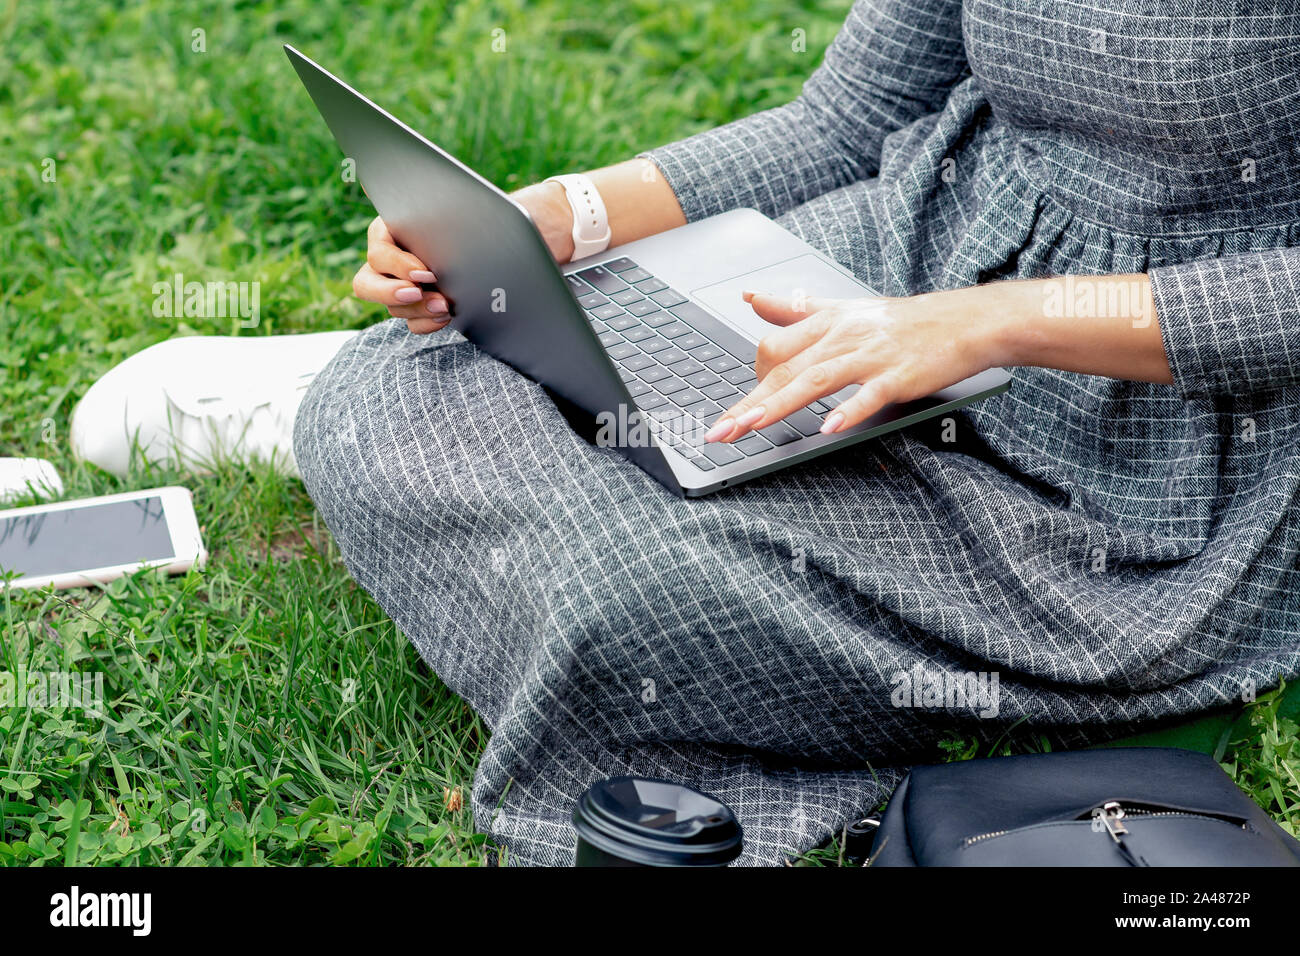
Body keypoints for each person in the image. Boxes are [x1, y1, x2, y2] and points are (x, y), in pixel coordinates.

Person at [290, 0, 1300, 865]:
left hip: (1165, 432)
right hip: (900, 267)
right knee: (383, 393)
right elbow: (842, 121)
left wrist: (988, 322)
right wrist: (562, 217)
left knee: (622, 585)